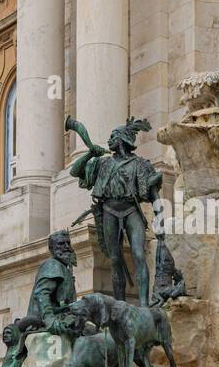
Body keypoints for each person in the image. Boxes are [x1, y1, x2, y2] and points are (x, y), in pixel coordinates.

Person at [68, 117, 164, 305]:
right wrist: (89, 154)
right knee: (114, 259)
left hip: (131, 210)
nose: (110, 141)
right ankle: (120, 304)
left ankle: (144, 304)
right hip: (109, 211)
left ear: (122, 140)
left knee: (138, 253)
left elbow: (153, 195)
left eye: (113, 137)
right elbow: (75, 171)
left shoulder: (140, 164)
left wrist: (160, 221)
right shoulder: (102, 163)